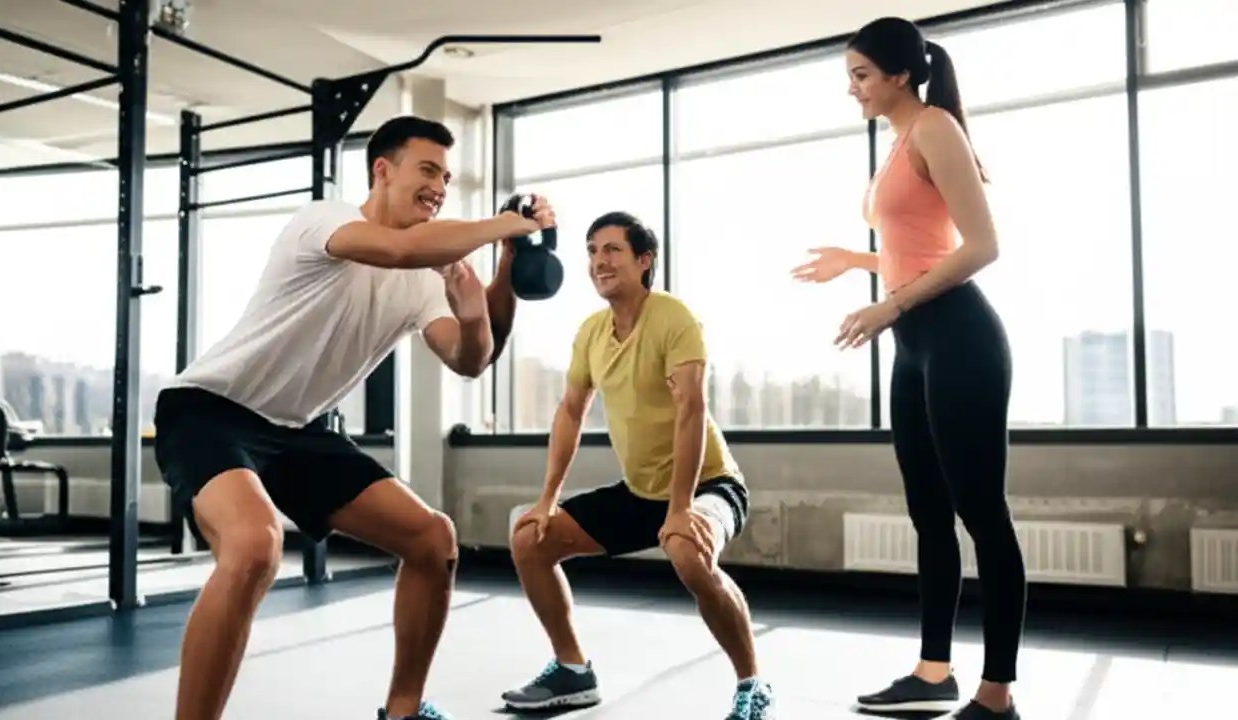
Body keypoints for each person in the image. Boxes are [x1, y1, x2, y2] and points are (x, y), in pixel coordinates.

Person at [153, 115, 555, 720]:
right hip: (210, 412)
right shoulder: (325, 220)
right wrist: (508, 222)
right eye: (427, 170)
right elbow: (397, 248)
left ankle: (403, 708)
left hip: (298, 430)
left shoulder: (425, 278)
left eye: (446, 177)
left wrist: (484, 300)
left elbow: (470, 361)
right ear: (382, 170)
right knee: (255, 546)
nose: (439, 186)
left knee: (432, 540)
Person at [790, 16, 1025, 720]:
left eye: (861, 76)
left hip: (960, 338)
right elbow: (920, 247)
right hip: (916, 342)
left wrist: (887, 307)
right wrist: (858, 263)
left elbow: (982, 246)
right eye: (850, 78)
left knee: (982, 514)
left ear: (898, 73)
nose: (853, 91)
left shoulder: (935, 130)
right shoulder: (899, 143)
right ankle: (932, 673)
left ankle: (998, 693)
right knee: (929, 514)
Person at [501, 212, 775, 720]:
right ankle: (573, 671)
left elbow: (692, 410)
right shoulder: (591, 332)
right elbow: (570, 411)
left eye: (612, 250)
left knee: (688, 551)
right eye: (592, 251)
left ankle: (751, 684)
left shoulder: (673, 317)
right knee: (529, 540)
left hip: (710, 484)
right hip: (640, 491)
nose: (599, 261)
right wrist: (546, 501)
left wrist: (678, 508)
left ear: (644, 260)